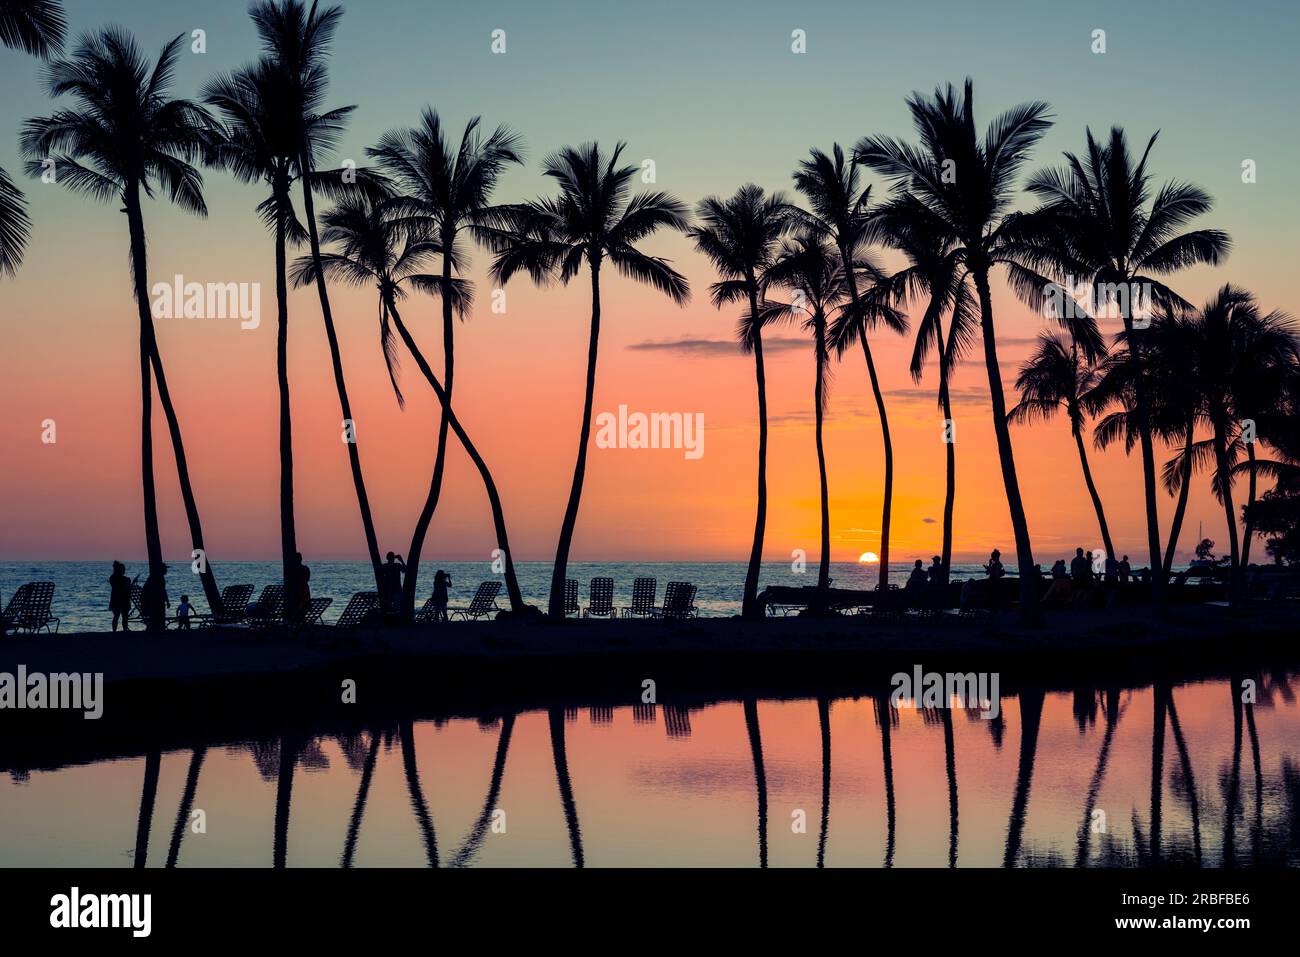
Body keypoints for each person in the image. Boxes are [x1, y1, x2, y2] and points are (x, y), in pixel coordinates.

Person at [140, 565, 169, 633]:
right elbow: (161, 590)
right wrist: (166, 600)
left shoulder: (158, 578)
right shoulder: (157, 578)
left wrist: (167, 601)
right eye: (165, 569)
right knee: (156, 614)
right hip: (149, 602)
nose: (166, 571)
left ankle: (153, 626)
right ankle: (154, 627)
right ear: (162, 570)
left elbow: (163, 590)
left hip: (150, 601)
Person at [108, 561, 133, 632]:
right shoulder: (117, 578)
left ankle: (116, 631)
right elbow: (124, 585)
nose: (124, 571)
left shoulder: (113, 578)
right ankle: (123, 630)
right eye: (123, 570)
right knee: (122, 616)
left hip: (117, 599)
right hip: (121, 599)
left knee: (118, 616)